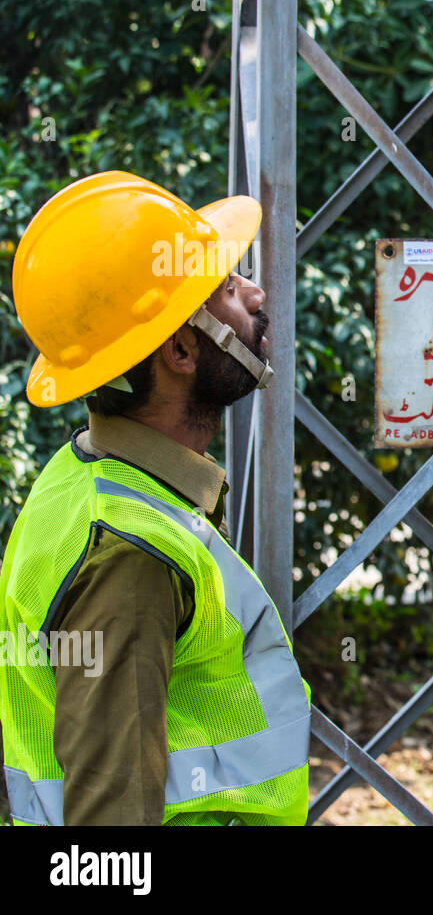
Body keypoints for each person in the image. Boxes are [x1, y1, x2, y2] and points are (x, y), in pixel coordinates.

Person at [0, 171, 310, 825]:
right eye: (227, 288)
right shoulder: (131, 556)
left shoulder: (85, 472)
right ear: (180, 348)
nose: (254, 294)